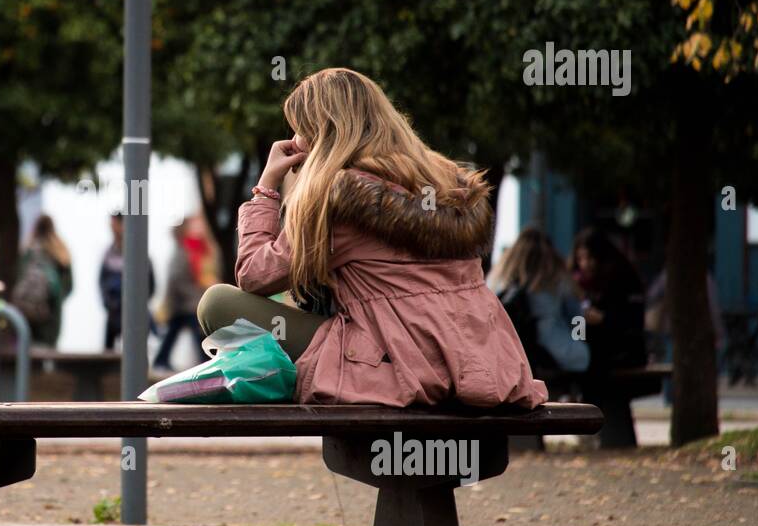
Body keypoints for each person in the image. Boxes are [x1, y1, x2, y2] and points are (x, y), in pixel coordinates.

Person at [196, 67, 546, 409]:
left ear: (323, 133)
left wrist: (266, 189)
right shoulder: (448, 185)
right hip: (481, 364)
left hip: (394, 369)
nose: (296, 142)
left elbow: (255, 274)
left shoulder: (339, 198)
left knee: (217, 303)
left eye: (300, 131)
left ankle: (303, 378)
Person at [569, 227, 650, 447]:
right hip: (598, 350)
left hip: (623, 350)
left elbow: (632, 321)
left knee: (591, 363)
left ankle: (589, 421)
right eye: (580, 258)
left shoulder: (621, 278)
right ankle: (587, 420)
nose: (584, 264)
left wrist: (604, 318)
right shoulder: (578, 283)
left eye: (589, 258)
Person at [487, 228, 590, 376]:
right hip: (559, 354)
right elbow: (576, 315)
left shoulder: (498, 279)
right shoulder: (556, 277)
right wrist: (579, 341)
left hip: (504, 355)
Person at [11, 215, 74, 347]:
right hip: (51, 316)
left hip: (24, 314)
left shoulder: (26, 252)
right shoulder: (61, 254)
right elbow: (69, 286)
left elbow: (16, 279)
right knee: (48, 353)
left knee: (26, 353)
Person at [153, 220, 206, 371]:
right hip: (186, 303)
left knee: (174, 332)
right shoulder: (181, 252)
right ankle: (204, 363)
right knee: (197, 334)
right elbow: (175, 279)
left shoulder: (182, 251)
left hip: (182, 303)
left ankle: (161, 360)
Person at [99, 212, 156, 350]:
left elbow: (151, 283)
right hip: (114, 312)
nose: (112, 229)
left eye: (114, 224)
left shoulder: (139, 253)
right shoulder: (109, 253)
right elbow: (102, 281)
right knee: (109, 352)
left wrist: (138, 302)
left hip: (135, 313)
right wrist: (109, 303)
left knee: (136, 351)